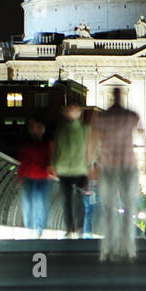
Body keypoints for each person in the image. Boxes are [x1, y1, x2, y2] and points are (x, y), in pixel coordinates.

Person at [89, 89, 144, 262]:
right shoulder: (131, 116)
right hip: (127, 165)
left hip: (108, 166)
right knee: (129, 208)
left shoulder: (102, 118)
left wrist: (89, 163)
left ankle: (108, 249)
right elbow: (143, 137)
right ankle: (128, 249)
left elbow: (92, 139)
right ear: (123, 97)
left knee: (109, 209)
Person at [53, 101, 92, 238]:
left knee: (78, 200)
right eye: (70, 109)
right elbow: (56, 148)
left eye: (75, 109)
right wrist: (54, 165)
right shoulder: (61, 129)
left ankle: (78, 228)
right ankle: (70, 228)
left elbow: (91, 148)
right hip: (64, 169)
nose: (72, 112)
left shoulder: (85, 128)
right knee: (67, 200)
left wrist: (89, 164)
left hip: (80, 170)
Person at [16, 117, 54, 238]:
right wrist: (19, 177)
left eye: (39, 127)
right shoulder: (26, 144)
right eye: (33, 127)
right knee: (29, 203)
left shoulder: (48, 144)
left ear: (44, 129)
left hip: (42, 177)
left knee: (39, 203)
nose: (36, 130)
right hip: (29, 177)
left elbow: (52, 160)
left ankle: (37, 229)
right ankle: (31, 228)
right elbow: (22, 162)